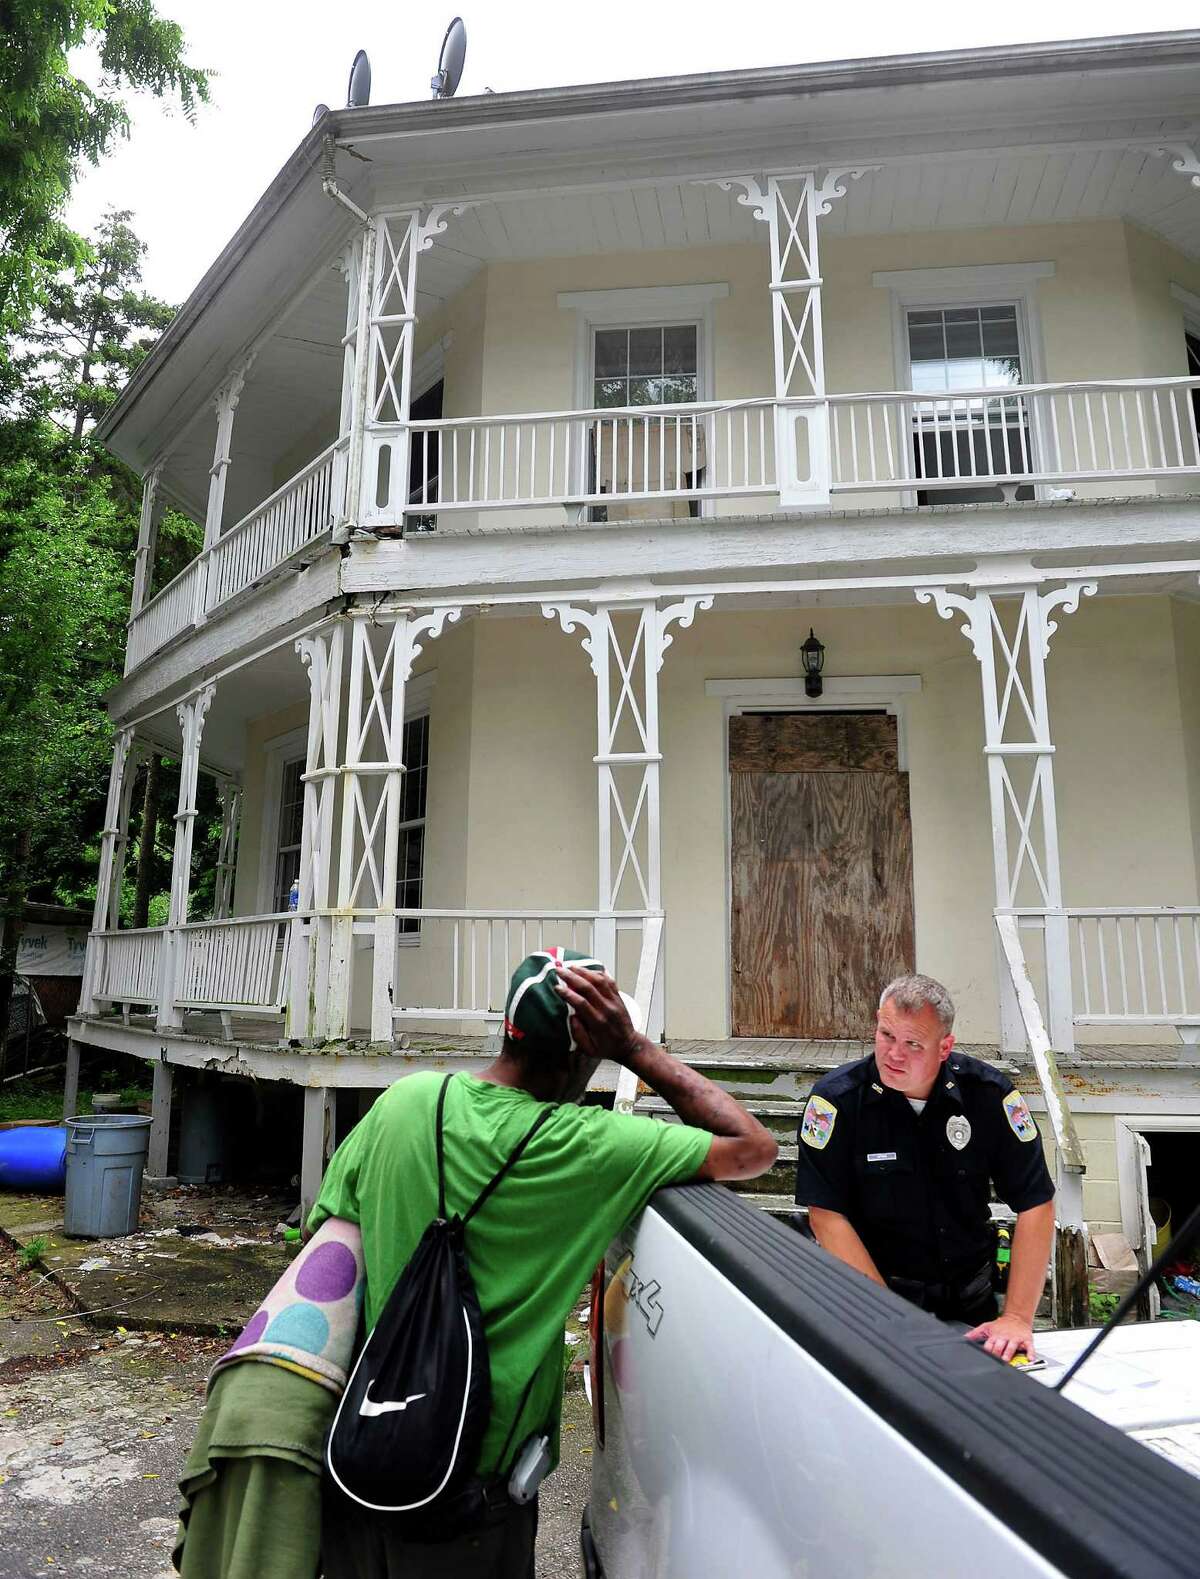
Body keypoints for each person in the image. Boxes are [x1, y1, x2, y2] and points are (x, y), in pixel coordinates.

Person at [312, 947, 777, 1578]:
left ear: (509, 1029)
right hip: (469, 1504)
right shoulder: (583, 1146)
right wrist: (634, 1048)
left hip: (359, 1465)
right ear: (585, 1056)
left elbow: (329, 1232)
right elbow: (753, 1148)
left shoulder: (403, 1102)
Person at [793, 973, 1055, 1362]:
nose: (894, 1054)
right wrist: (890, 1318)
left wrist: (1016, 1317)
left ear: (944, 1047)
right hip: (874, 1303)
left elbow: (1036, 1201)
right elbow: (825, 1214)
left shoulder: (988, 1096)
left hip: (971, 1306)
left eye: (913, 1044)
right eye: (886, 1035)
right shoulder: (837, 1102)